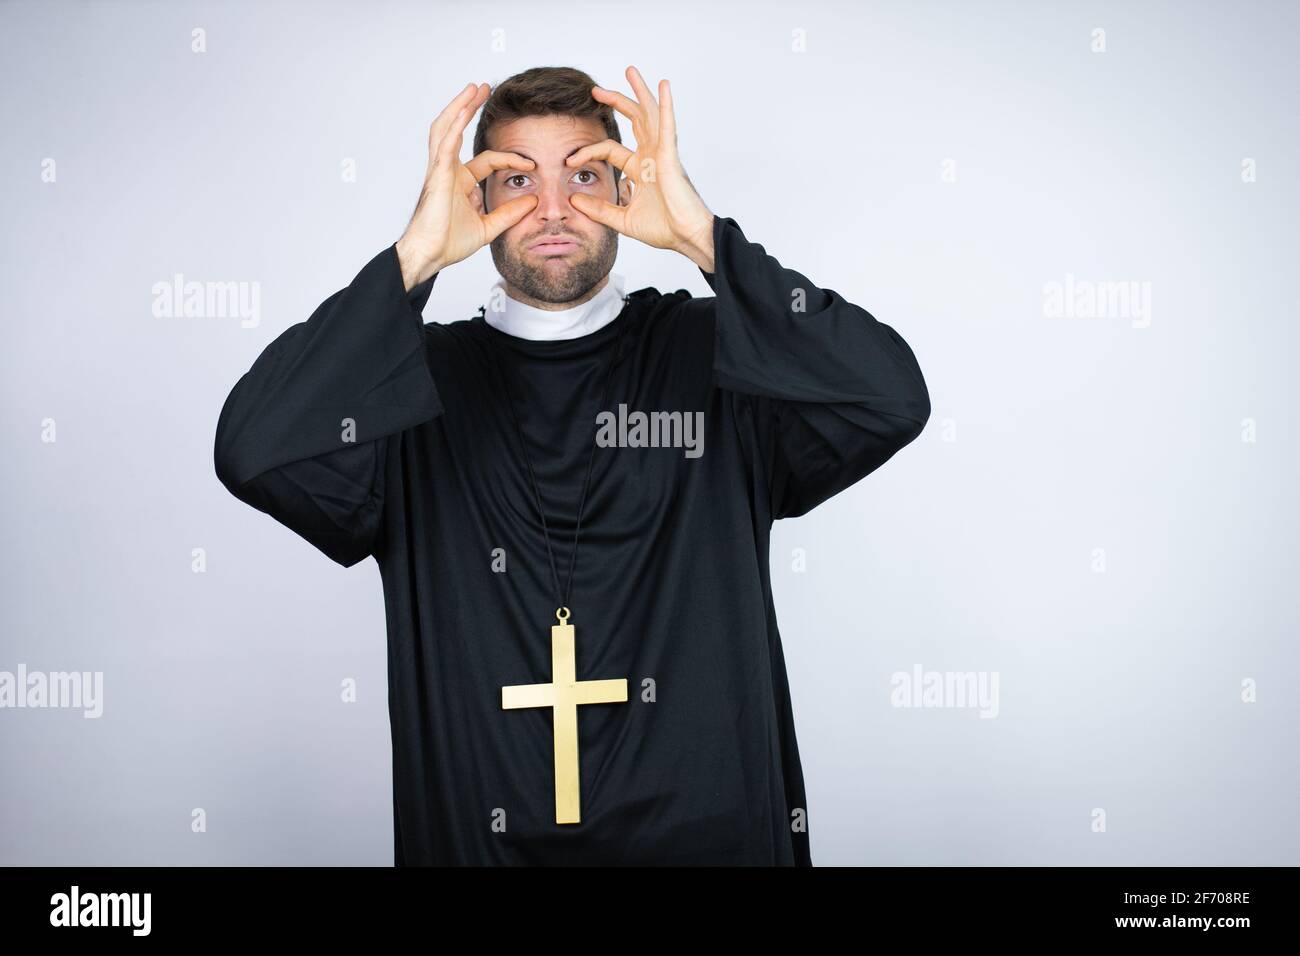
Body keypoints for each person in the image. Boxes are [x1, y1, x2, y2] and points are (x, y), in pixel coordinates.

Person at [213, 64, 931, 865]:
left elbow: (891, 397)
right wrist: (412, 259)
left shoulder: (718, 358)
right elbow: (253, 448)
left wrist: (705, 238)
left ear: (628, 189)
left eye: (585, 175)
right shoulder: (413, 388)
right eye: (516, 180)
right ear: (475, 201)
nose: (553, 208)